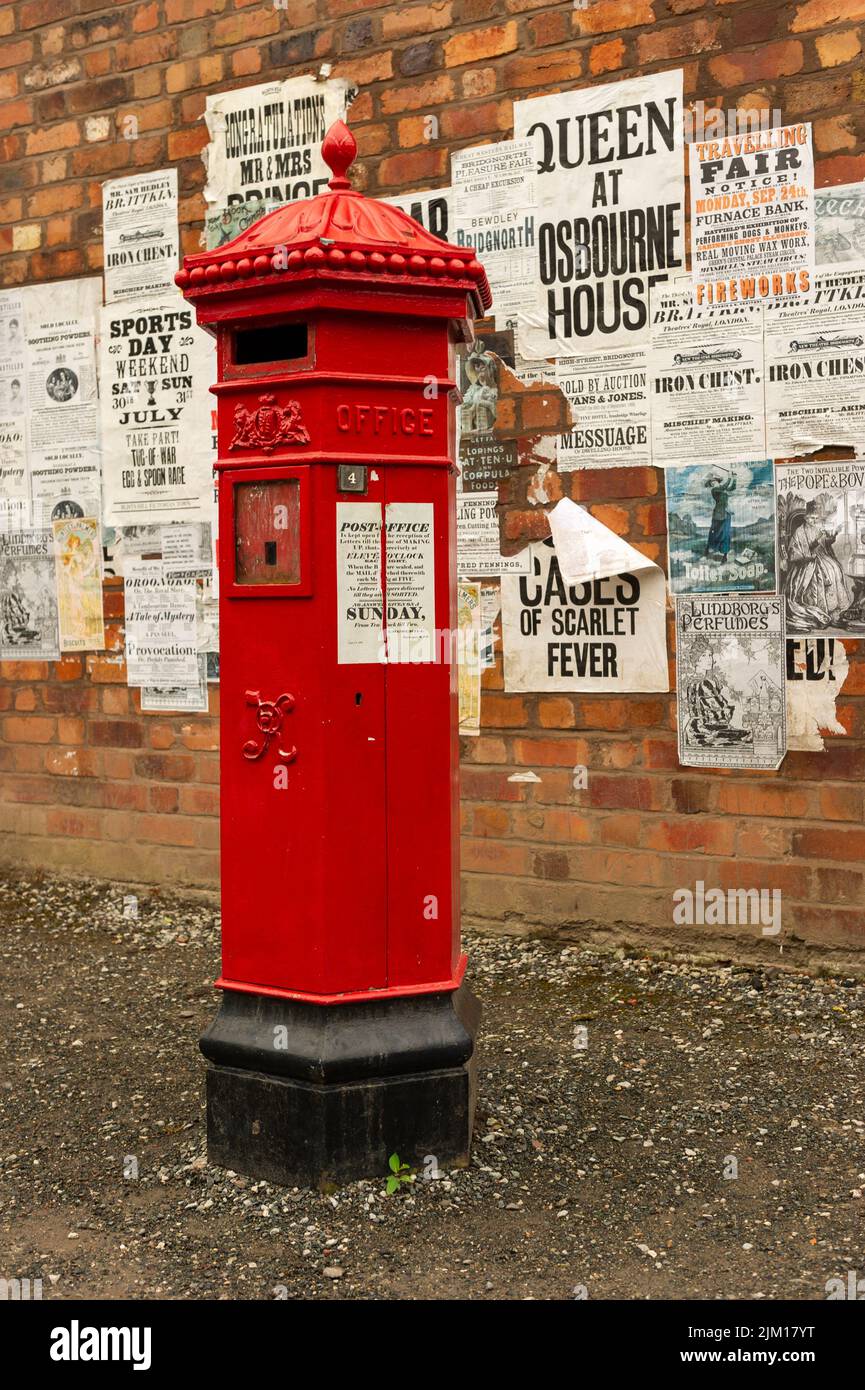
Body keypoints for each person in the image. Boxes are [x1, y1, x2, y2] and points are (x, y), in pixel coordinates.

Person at [784, 493, 853, 631]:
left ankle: (836, 610)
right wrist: (815, 542)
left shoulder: (817, 528)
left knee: (834, 567)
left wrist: (832, 536)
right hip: (806, 561)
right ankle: (822, 610)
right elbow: (798, 551)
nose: (813, 520)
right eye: (810, 518)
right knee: (820, 573)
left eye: (815, 518)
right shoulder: (799, 531)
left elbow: (824, 544)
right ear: (805, 517)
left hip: (820, 556)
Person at [704, 465, 736, 561]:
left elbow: (732, 487)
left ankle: (724, 555)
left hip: (726, 515)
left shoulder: (722, 489)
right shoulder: (715, 490)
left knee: (726, 534)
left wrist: (734, 478)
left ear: (717, 481)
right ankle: (708, 548)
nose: (713, 484)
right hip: (717, 516)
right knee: (713, 533)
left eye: (713, 482)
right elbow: (725, 486)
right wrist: (729, 477)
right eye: (711, 483)